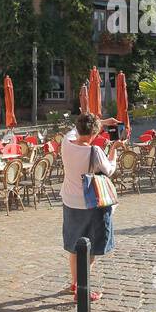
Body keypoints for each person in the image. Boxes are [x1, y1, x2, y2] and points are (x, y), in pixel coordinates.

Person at [60, 113, 125, 301]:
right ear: (94, 134)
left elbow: (75, 131)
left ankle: (75, 283)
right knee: (91, 247)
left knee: (74, 246)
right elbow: (109, 169)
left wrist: (101, 123)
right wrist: (114, 148)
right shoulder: (94, 151)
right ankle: (83, 289)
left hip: (70, 201)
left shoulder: (66, 142)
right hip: (90, 203)